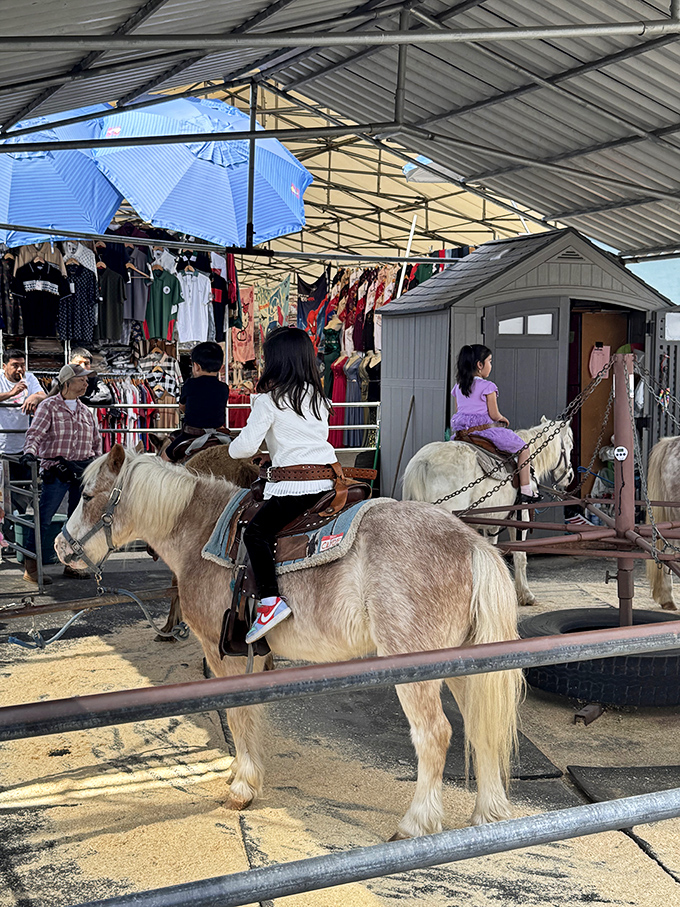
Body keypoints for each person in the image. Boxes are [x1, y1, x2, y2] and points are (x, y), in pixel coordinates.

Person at [228, 327, 336, 643]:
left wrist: (235, 445)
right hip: (328, 483)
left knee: (255, 533)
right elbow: (304, 442)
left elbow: (243, 449)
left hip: (295, 489)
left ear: (275, 360)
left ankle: (270, 600)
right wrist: (274, 457)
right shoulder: (318, 397)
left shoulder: (269, 401)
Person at [21, 363, 101, 583]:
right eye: (81, 379)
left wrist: (97, 465)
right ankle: (31, 567)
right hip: (56, 469)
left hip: (82, 471)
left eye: (86, 379)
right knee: (44, 517)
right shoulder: (49, 406)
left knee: (77, 521)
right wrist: (30, 452)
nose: (86, 383)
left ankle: (73, 564)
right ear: (67, 382)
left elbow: (96, 442)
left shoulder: (86, 411)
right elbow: (35, 433)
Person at [450, 344, 540, 503]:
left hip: (463, 432)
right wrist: (502, 418)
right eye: (489, 361)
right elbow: (493, 414)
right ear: (480, 365)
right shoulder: (488, 386)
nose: (491, 366)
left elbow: (459, 412)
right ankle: (526, 490)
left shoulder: (458, 387)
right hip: (484, 431)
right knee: (524, 449)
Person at [0, 349, 47, 541]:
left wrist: (34, 397)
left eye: (22, 364)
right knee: (2, 493)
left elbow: (43, 395)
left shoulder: (30, 378)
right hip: (1, 447)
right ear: (4, 366)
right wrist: (11, 393)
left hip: (22, 447)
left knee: (22, 492)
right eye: (15, 365)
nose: (20, 369)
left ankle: (12, 531)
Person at [164, 341, 230, 462]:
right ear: (221, 367)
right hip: (219, 432)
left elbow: (182, 407)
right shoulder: (224, 387)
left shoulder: (190, 384)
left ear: (196, 366)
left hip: (192, 434)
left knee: (165, 457)